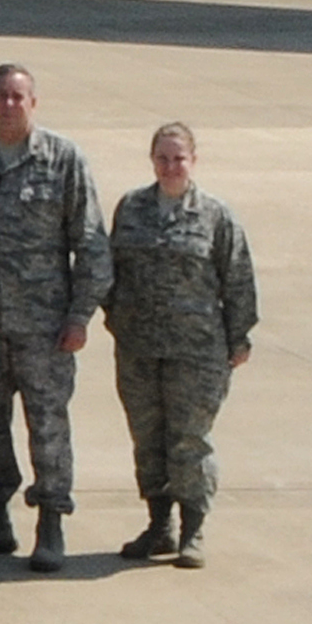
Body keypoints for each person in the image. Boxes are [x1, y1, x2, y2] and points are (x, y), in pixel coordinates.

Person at [0, 64, 108, 569]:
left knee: (48, 425)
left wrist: (79, 316)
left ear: (33, 103)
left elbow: (92, 246)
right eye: (1, 97)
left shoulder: (62, 160)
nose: (9, 105)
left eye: (18, 97)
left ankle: (51, 521)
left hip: (45, 329)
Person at [106, 122, 255, 566]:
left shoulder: (214, 215)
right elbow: (110, 269)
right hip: (139, 348)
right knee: (148, 437)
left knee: (189, 440)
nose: (171, 167)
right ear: (152, 160)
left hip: (198, 352)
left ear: (193, 161)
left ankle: (194, 529)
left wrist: (239, 336)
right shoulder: (131, 208)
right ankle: (159, 526)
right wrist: (117, 319)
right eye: (163, 158)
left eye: (179, 158)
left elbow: (239, 279)